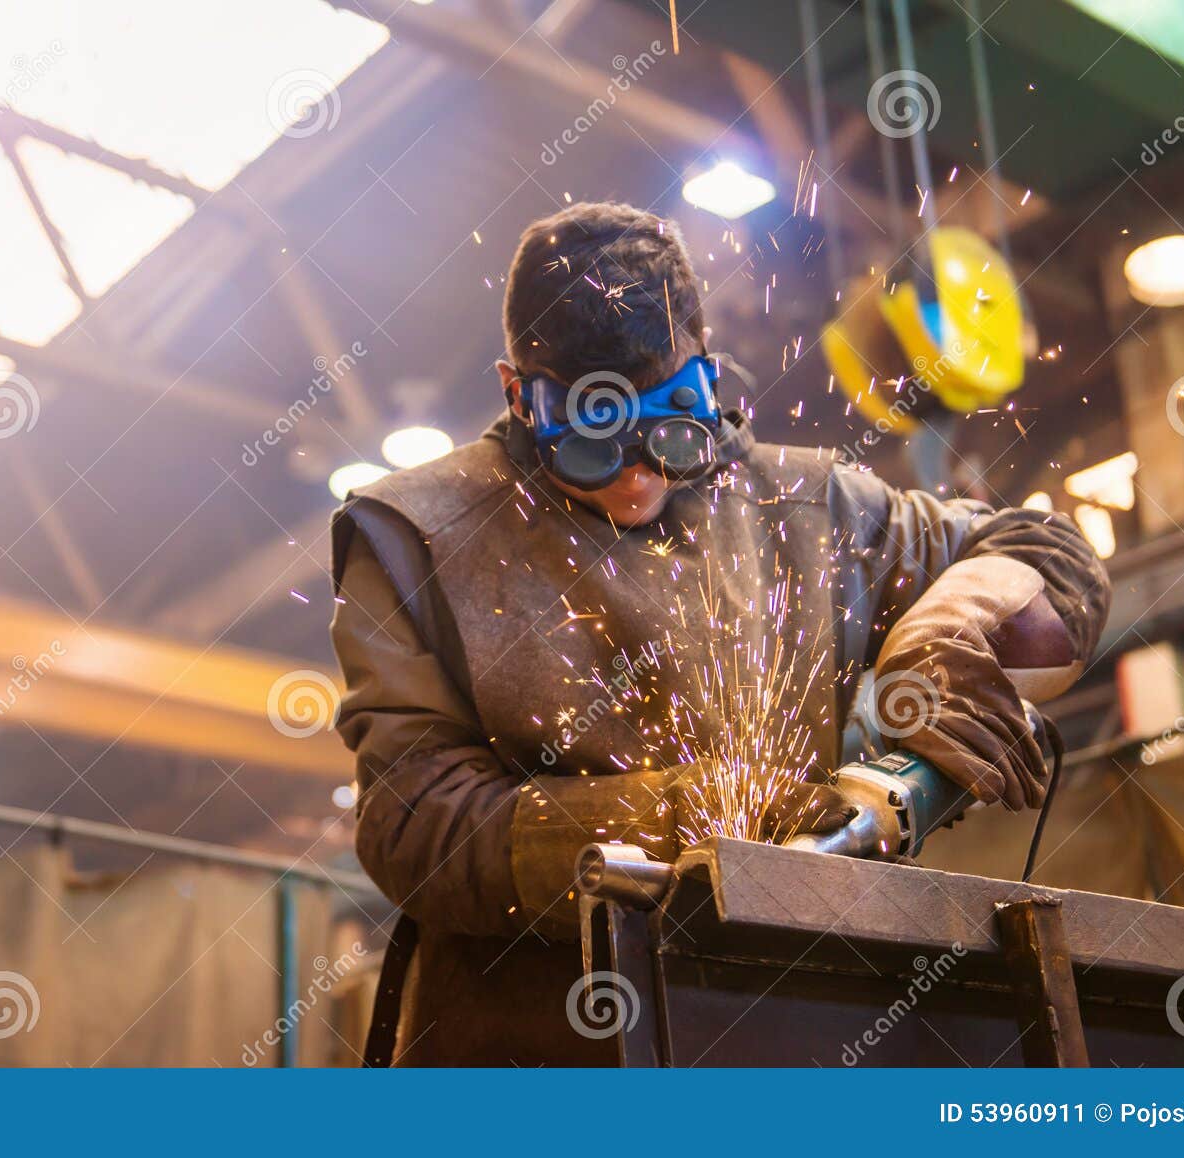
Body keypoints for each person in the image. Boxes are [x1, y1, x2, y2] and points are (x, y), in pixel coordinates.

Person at [328, 201, 1110, 1065]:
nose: (634, 484)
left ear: (704, 375)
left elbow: (1043, 550)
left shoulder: (811, 502)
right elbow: (416, 826)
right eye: (593, 447)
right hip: (531, 1048)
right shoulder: (414, 534)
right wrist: (684, 818)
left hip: (802, 1035)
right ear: (519, 393)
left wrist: (950, 634)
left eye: (669, 437)